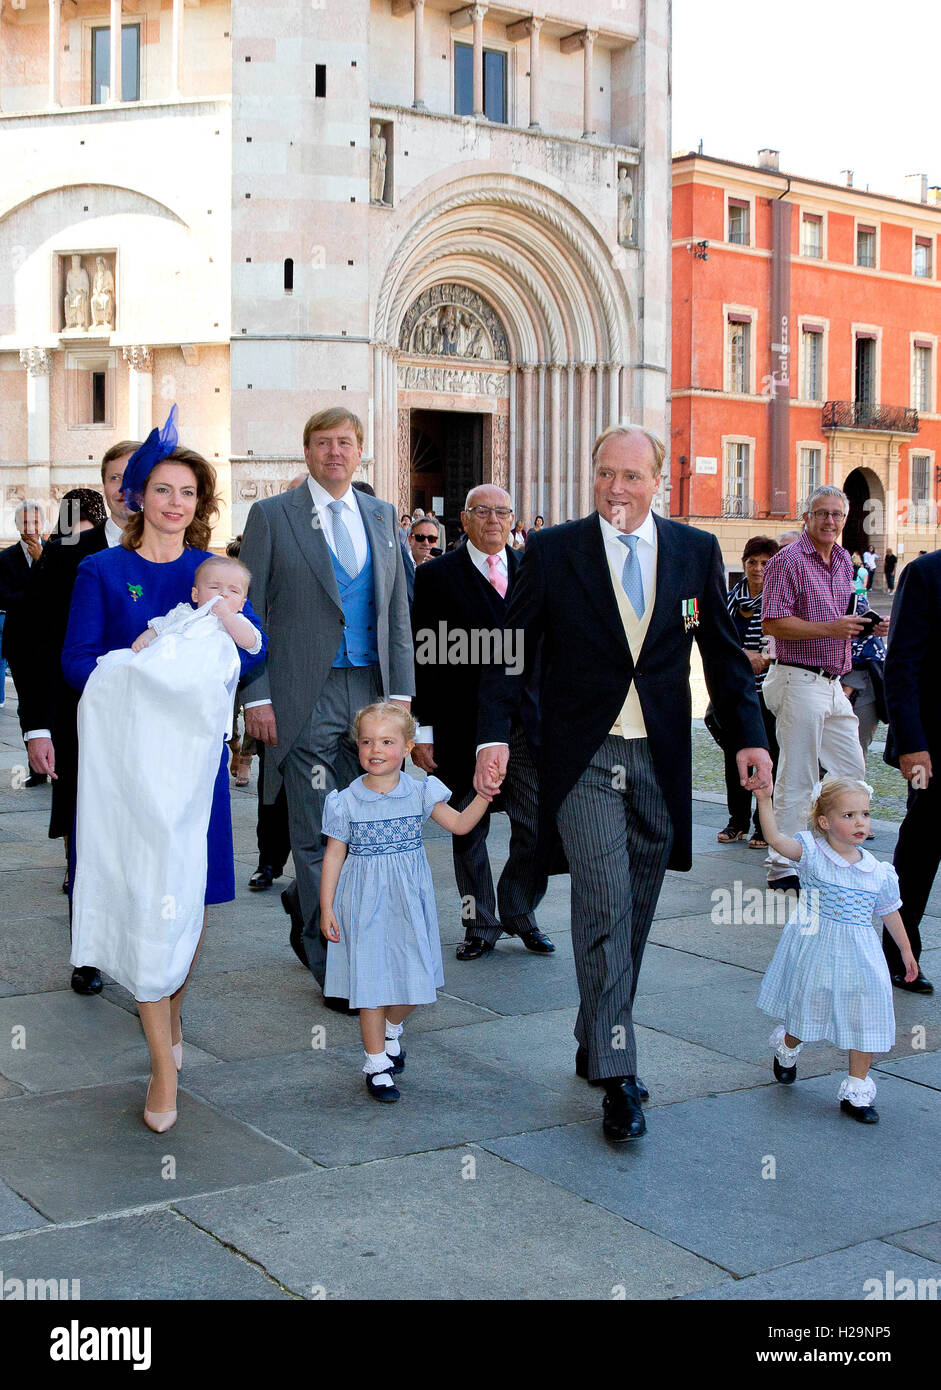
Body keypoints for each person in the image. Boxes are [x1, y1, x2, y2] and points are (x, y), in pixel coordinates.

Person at [474, 424, 770, 1144]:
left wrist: (751, 739)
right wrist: (490, 736)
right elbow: (507, 652)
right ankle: (617, 1072)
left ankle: (593, 1029)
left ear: (657, 481)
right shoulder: (550, 551)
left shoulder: (695, 553)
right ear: (592, 476)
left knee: (634, 912)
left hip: (660, 760)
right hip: (582, 758)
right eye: (606, 472)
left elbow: (724, 655)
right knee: (603, 904)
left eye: (632, 476)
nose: (617, 487)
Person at [62, 408, 267, 1130]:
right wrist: (137, 669)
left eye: (188, 493)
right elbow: (77, 662)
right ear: (137, 497)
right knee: (146, 901)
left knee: (191, 896)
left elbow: (251, 647)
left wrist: (231, 635)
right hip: (126, 772)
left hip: (193, 772)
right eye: (162, 490)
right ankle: (160, 1066)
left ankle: (171, 1015)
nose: (176, 504)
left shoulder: (208, 573)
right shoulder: (101, 569)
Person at [238, 408, 414, 1012]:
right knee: (318, 833)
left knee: (367, 826)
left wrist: (403, 698)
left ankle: (310, 907)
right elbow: (248, 611)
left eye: (344, 442)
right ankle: (334, 964)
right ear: (307, 451)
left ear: (360, 451)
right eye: (322, 443)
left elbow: (396, 611)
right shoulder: (271, 516)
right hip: (303, 694)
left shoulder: (383, 517)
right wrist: (256, 694)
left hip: (372, 690)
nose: (334, 452)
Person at [320, 702, 491, 1101]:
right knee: (371, 984)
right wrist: (327, 906)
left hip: (409, 902)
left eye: (386, 741)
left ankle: (392, 1029)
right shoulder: (345, 801)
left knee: (417, 982)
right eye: (366, 741)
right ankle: (376, 1063)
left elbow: (461, 824)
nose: (375, 750)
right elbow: (333, 854)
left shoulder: (420, 793)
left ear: (407, 746)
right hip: (362, 902)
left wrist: (483, 795)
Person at [412, 484, 555, 960]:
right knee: (468, 829)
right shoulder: (435, 577)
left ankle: (519, 909)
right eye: (482, 511)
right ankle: (479, 923)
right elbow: (424, 659)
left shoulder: (534, 571)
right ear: (465, 520)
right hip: (461, 726)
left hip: (527, 725)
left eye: (502, 512)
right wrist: (423, 730)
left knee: (534, 824)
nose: (493, 520)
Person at [21, 448, 139, 992]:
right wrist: (36, 727)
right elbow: (33, 641)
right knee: (86, 835)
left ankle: (143, 944)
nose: (124, 487)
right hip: (77, 721)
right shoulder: (69, 553)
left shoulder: (179, 552)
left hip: (148, 729)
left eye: (133, 476)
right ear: (104, 486)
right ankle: (88, 950)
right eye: (113, 478)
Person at [755, 776, 917, 1124]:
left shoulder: (878, 872)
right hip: (817, 948)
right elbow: (775, 839)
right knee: (807, 1007)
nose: (860, 822)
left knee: (866, 1012)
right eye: (849, 815)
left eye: (865, 814)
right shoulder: (812, 854)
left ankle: (857, 1088)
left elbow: (889, 911)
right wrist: (765, 800)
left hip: (861, 954)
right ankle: (789, 1044)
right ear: (825, 822)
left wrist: (905, 951)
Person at [760, 487, 889, 893]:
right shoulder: (787, 561)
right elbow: (773, 622)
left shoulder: (840, 562)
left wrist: (863, 623)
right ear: (806, 516)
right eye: (822, 514)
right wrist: (832, 629)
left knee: (851, 770)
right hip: (797, 677)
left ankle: (832, 848)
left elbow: (837, 618)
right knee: (797, 776)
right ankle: (782, 865)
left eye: (837, 514)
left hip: (832, 682)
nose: (830, 521)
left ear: (846, 519)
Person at [881, 549, 939, 995]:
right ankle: (898, 955)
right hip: (932, 751)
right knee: (920, 850)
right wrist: (912, 746)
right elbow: (901, 666)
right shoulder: (925, 574)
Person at [716, 537, 780, 848]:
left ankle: (761, 824)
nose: (757, 568)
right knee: (734, 758)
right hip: (734, 691)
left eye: (765, 563)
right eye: (752, 562)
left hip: (766, 693)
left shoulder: (777, 600)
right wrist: (742, 654)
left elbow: (776, 644)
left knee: (767, 758)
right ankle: (737, 820)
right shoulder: (730, 598)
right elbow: (717, 639)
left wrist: (758, 657)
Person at [0, 501, 47, 786]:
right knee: (27, 707)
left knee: (53, 704)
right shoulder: (5, 559)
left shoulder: (56, 554)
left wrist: (43, 562)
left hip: (53, 643)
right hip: (21, 645)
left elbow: (62, 592)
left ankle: (58, 763)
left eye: (35, 523)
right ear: (18, 526)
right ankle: (37, 769)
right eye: (25, 524)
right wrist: (35, 597)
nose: (30, 529)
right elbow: (4, 597)